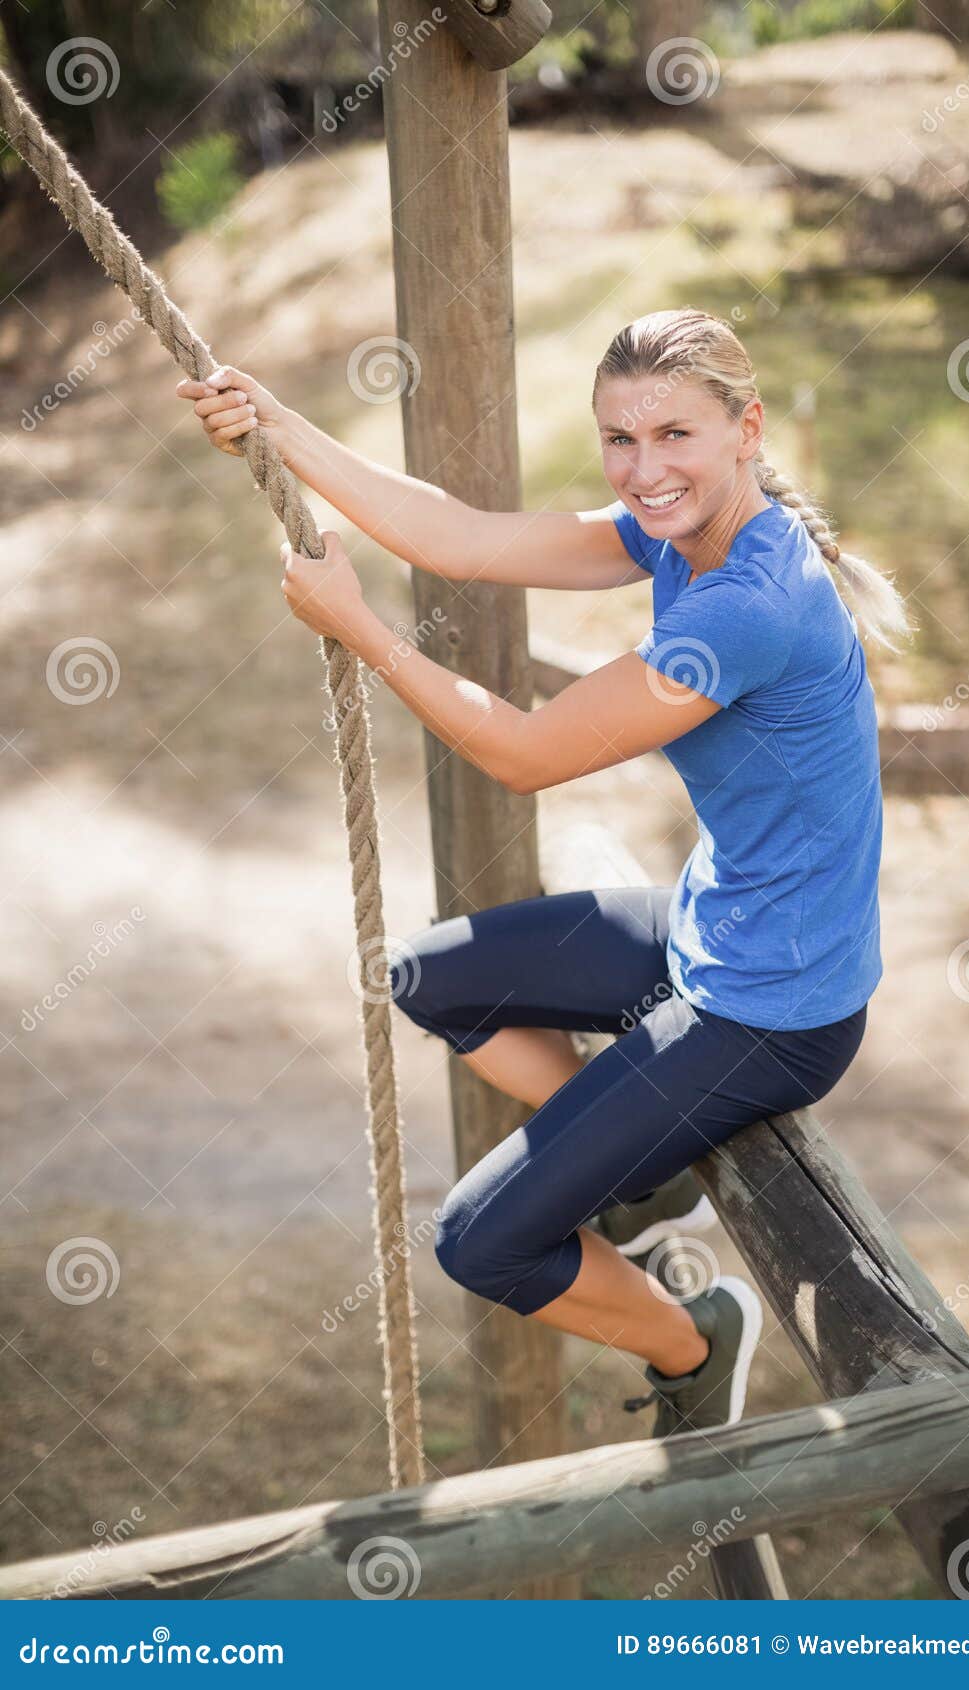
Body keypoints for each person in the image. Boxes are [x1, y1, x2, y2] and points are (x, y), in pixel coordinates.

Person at [176, 307, 909, 1439]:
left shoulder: (749, 608)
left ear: (745, 429)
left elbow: (525, 754)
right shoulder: (677, 530)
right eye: (620, 438)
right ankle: (638, 1169)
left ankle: (692, 1340)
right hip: (707, 930)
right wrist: (281, 425)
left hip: (773, 1008)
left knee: (482, 1238)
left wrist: (362, 631)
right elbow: (464, 540)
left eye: (673, 434)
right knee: (425, 977)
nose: (644, 467)